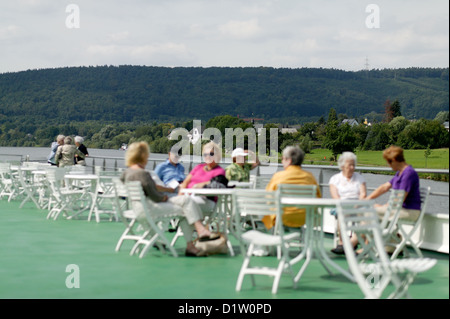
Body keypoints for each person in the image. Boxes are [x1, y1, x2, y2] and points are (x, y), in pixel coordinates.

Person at [120, 141, 219, 257]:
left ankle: (198, 233)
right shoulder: (143, 174)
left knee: (186, 202)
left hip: (138, 208)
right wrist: (166, 196)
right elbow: (156, 197)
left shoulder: (126, 173)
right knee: (187, 207)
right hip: (151, 207)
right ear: (142, 156)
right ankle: (194, 240)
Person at [262, 146, 322, 231]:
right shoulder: (310, 177)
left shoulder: (279, 176)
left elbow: (268, 196)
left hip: (282, 216)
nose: (282, 161)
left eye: (283, 159)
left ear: (289, 160)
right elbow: (318, 197)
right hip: (305, 217)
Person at [366, 145, 421, 222]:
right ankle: (369, 233)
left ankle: (365, 233)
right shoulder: (399, 173)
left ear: (394, 160)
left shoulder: (409, 173)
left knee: (367, 212)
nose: (388, 165)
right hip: (398, 209)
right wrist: (366, 199)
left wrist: (384, 207)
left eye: (388, 162)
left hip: (409, 211)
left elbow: (400, 197)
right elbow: (384, 187)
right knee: (367, 209)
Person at [328, 152, 367, 255]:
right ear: (342, 166)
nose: (352, 167)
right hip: (342, 205)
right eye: (349, 165)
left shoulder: (359, 178)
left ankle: (350, 244)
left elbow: (363, 195)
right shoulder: (335, 179)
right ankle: (341, 243)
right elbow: (335, 196)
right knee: (342, 213)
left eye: (353, 165)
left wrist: (356, 205)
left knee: (365, 217)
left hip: (358, 205)